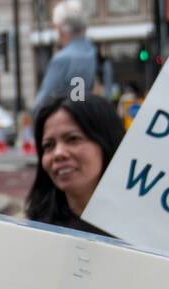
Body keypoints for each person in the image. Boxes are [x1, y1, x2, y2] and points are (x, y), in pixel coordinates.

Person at [25, 93, 125, 235]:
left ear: (106, 143)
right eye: (48, 146)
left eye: (73, 139)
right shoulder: (36, 232)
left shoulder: (143, 228)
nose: (58, 153)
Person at [33, 0, 110, 115]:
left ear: (60, 29)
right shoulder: (100, 58)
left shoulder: (62, 59)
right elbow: (107, 97)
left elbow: (42, 103)